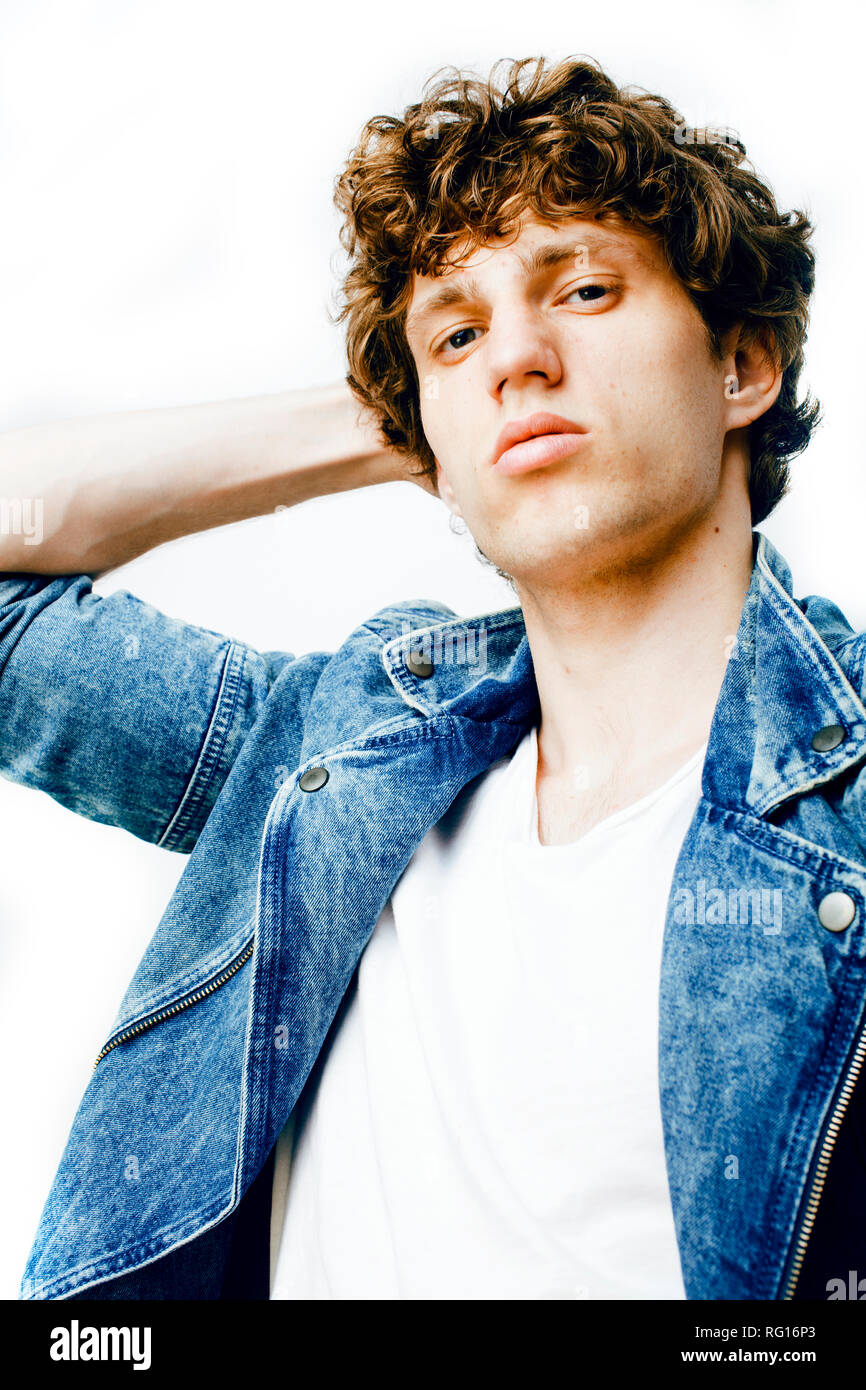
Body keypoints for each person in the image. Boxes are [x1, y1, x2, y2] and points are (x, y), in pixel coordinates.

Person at [2, 54, 864, 1303]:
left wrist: (458, 376)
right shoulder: (326, 761)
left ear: (739, 366)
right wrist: (409, 417)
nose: (517, 355)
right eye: (459, 332)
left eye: (582, 287)